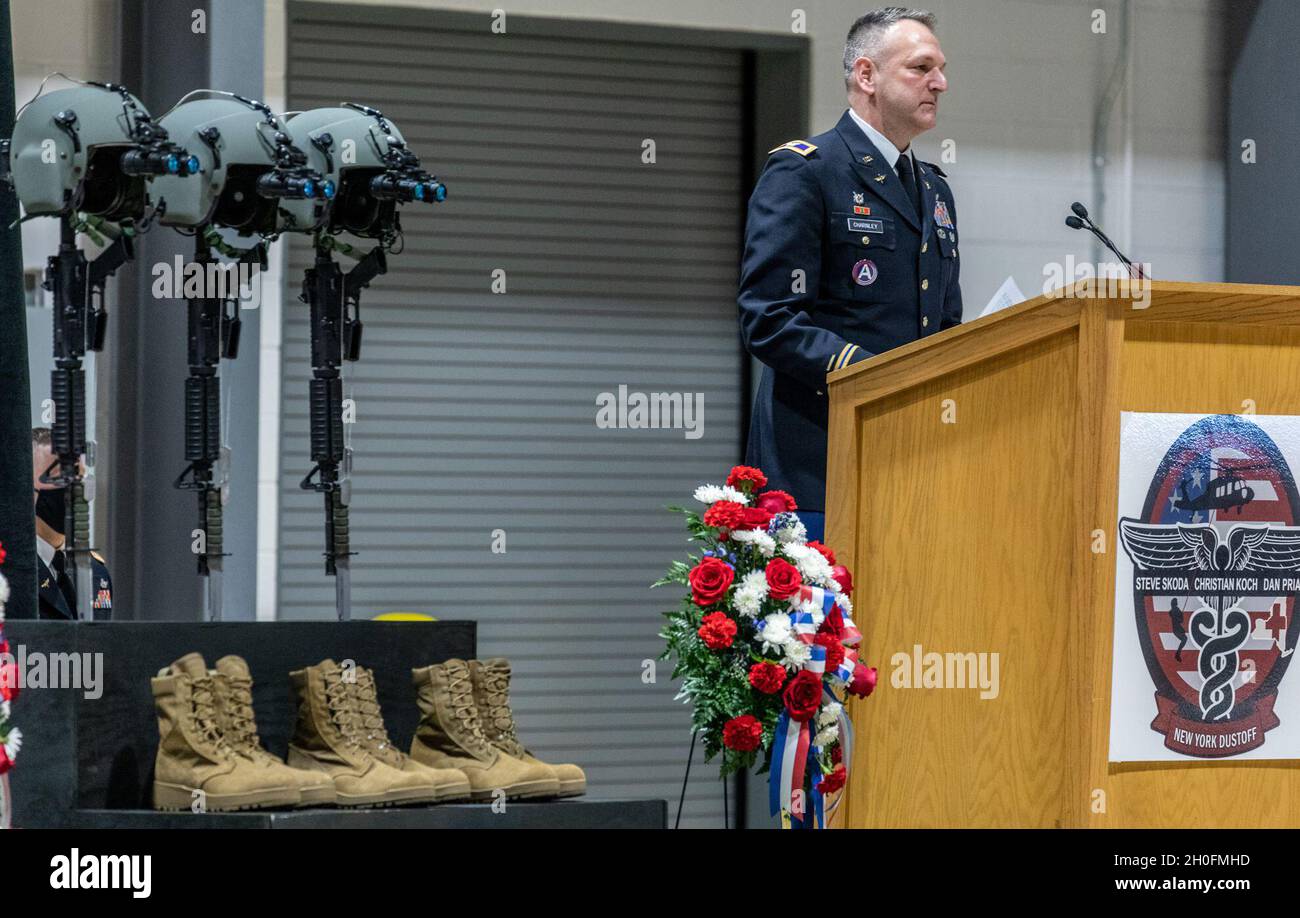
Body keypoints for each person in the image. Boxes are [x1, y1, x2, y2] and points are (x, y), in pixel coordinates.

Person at [738, 7, 963, 541]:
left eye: (941, 68)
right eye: (920, 68)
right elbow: (768, 317)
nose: (940, 83)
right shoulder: (807, 170)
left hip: (915, 459)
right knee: (822, 625)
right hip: (817, 463)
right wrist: (868, 375)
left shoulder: (934, 189)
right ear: (867, 76)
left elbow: (944, 324)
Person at [32, 427, 113, 620]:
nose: (74, 486)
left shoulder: (95, 572)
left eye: (80, 475)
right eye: (59, 475)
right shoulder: (10, 570)